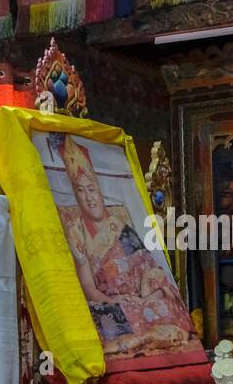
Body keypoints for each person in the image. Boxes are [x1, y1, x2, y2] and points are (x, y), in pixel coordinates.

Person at [50, 133, 195, 357]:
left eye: (92, 189)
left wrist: (147, 296)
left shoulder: (117, 224)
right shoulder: (75, 232)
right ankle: (135, 338)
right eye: (81, 190)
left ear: (99, 191)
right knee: (101, 316)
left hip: (139, 298)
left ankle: (145, 330)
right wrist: (113, 301)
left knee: (163, 305)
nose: (89, 198)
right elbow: (88, 288)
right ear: (75, 195)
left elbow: (147, 266)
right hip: (106, 301)